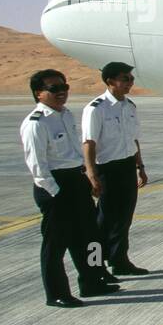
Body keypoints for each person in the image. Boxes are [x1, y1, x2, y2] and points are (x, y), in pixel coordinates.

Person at [20, 69, 121, 307]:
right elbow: (38, 167)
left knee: (90, 237)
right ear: (38, 93)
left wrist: (87, 178)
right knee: (55, 246)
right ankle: (56, 293)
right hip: (55, 186)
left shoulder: (64, 115)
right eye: (54, 89)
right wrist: (57, 194)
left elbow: (74, 152)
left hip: (76, 181)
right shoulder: (36, 124)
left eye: (64, 87)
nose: (61, 92)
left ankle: (93, 280)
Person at [82, 62, 150, 276]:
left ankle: (119, 260)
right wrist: (91, 174)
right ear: (110, 81)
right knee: (103, 221)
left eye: (131, 78)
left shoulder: (129, 106)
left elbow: (133, 139)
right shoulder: (96, 109)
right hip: (106, 169)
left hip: (127, 166)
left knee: (124, 218)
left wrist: (140, 166)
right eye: (125, 79)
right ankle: (95, 266)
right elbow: (89, 143)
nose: (130, 83)